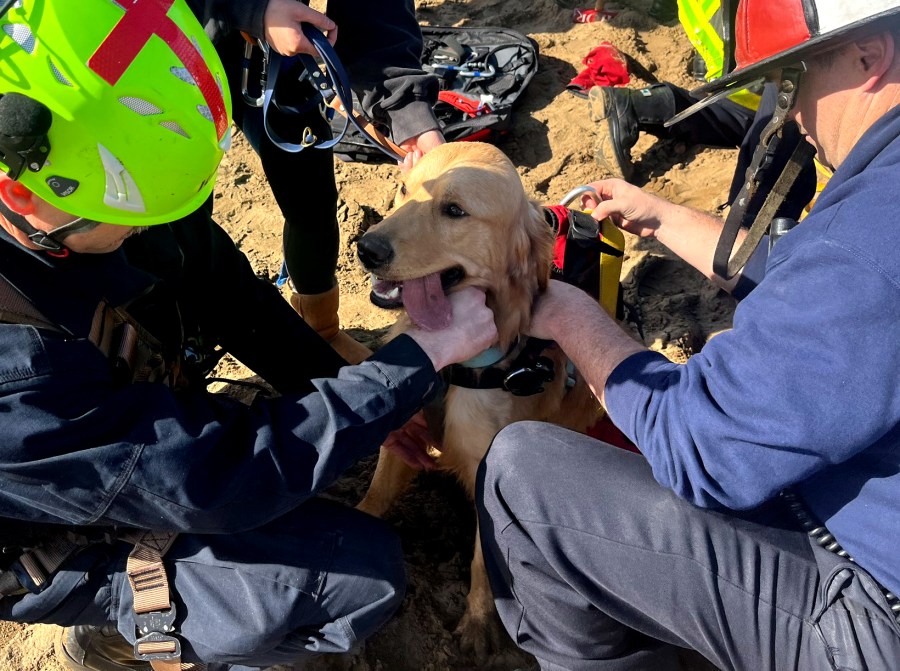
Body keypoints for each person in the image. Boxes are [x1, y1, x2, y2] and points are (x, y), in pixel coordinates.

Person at [0, 2, 497, 670]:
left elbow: (216, 280)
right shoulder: (22, 372)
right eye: (130, 220)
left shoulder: (76, 180)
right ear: (23, 197)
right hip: (45, 532)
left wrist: (342, 388)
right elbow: (216, 479)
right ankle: (123, 634)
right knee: (356, 579)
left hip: (110, 427)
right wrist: (417, 360)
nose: (146, 230)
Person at [476, 0, 900, 669]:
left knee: (520, 476)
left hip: (873, 615)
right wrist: (662, 219)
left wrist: (568, 316)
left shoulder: (870, 242)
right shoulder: (882, 200)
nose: (787, 112)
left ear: (869, 58)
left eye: (795, 81)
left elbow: (702, 445)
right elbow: (822, 289)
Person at [192, 0, 445, 364]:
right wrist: (252, 8)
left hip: (273, 47)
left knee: (311, 197)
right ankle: (182, 353)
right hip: (155, 53)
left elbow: (376, 11)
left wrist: (407, 112)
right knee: (180, 226)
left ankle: (320, 328)